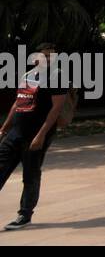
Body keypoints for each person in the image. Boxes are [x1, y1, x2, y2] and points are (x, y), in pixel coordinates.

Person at [0, 43, 68, 230]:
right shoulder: (28, 76)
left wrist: (41, 135)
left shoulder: (57, 77)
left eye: (51, 57)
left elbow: (56, 109)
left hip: (35, 134)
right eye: (44, 56)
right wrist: (4, 128)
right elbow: (17, 102)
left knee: (30, 174)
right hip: (16, 132)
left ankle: (25, 215)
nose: (48, 60)